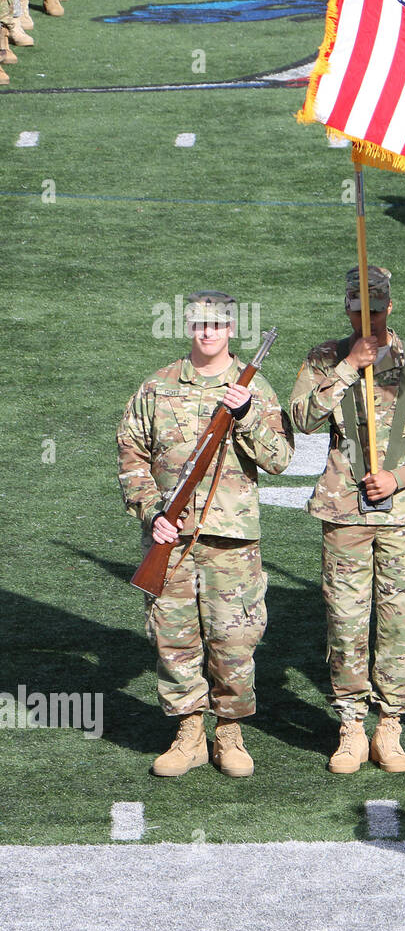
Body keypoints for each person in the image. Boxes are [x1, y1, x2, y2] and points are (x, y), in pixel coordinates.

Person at [290, 265, 405, 773]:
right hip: (344, 509)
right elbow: (299, 419)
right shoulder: (325, 357)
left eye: (376, 310)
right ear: (346, 308)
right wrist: (347, 368)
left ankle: (390, 724)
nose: (367, 318)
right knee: (345, 620)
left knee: (399, 622)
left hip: (402, 514)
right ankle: (350, 723)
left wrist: (403, 475)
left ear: (391, 308)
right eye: (358, 310)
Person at [117, 292, 293, 777]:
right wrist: (152, 511)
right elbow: (131, 454)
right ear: (188, 327)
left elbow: (279, 459)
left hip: (231, 540)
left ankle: (230, 732)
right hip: (169, 539)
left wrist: (248, 416)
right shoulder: (156, 387)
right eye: (198, 324)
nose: (207, 333)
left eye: (216, 325)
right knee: (174, 639)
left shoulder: (254, 389)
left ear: (231, 329)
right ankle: (188, 731)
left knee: (234, 639)